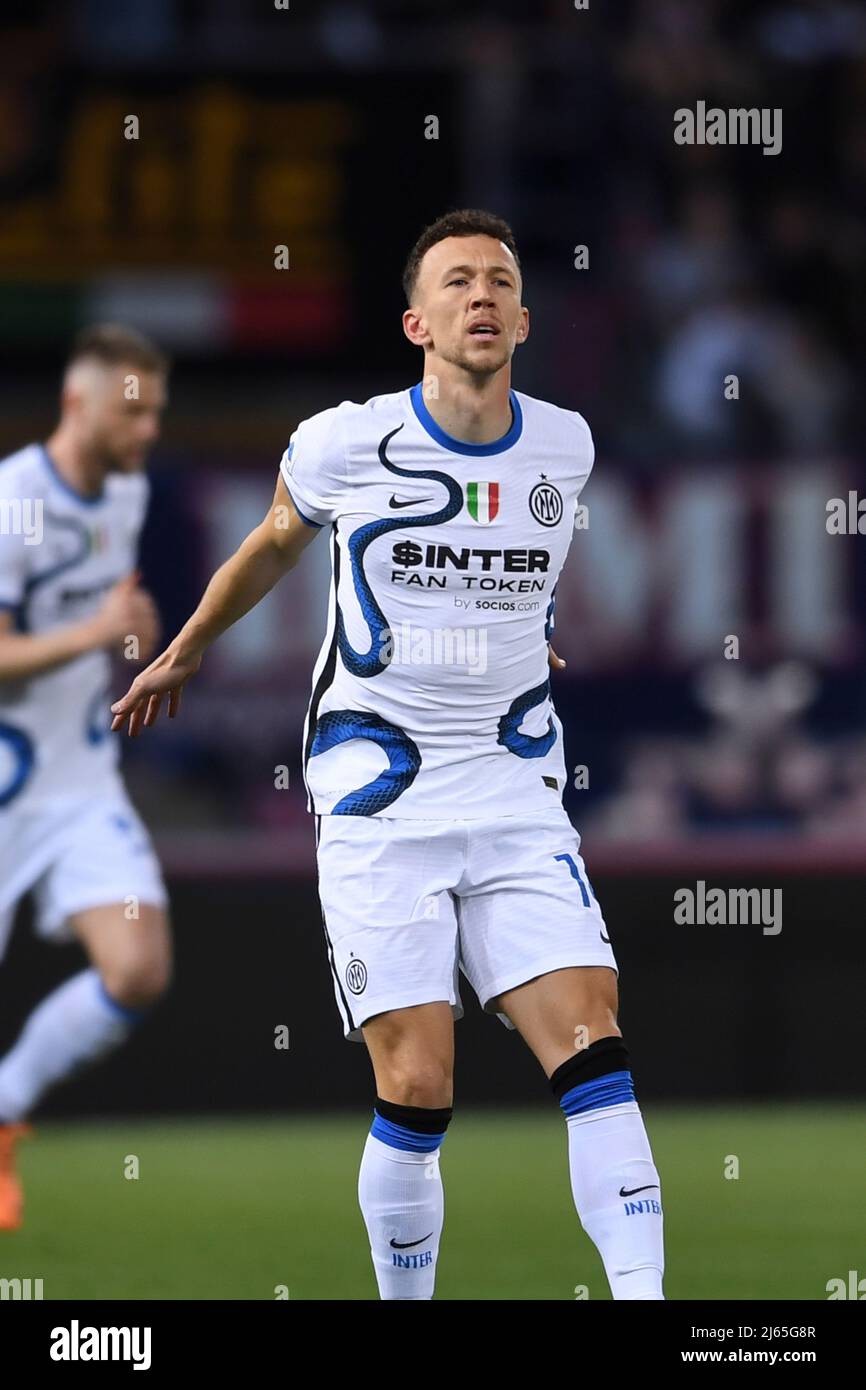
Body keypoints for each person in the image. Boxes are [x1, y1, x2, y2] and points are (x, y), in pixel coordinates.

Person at [109, 209, 665, 1300]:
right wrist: (183, 651)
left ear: (523, 315)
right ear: (417, 318)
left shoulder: (566, 444)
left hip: (513, 787)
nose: (482, 296)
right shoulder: (342, 443)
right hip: (380, 793)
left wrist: (525, 627)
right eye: (457, 281)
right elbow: (273, 542)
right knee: (417, 1081)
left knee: (593, 1039)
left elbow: (523, 562)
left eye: (500, 280)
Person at [0, 325, 171, 1230]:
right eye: (132, 413)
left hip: (76, 786)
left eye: (156, 415)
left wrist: (132, 642)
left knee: (139, 965)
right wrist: (98, 635)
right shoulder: (13, 502)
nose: (147, 434)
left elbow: (114, 626)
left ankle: (4, 1104)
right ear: (79, 403)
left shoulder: (128, 495)